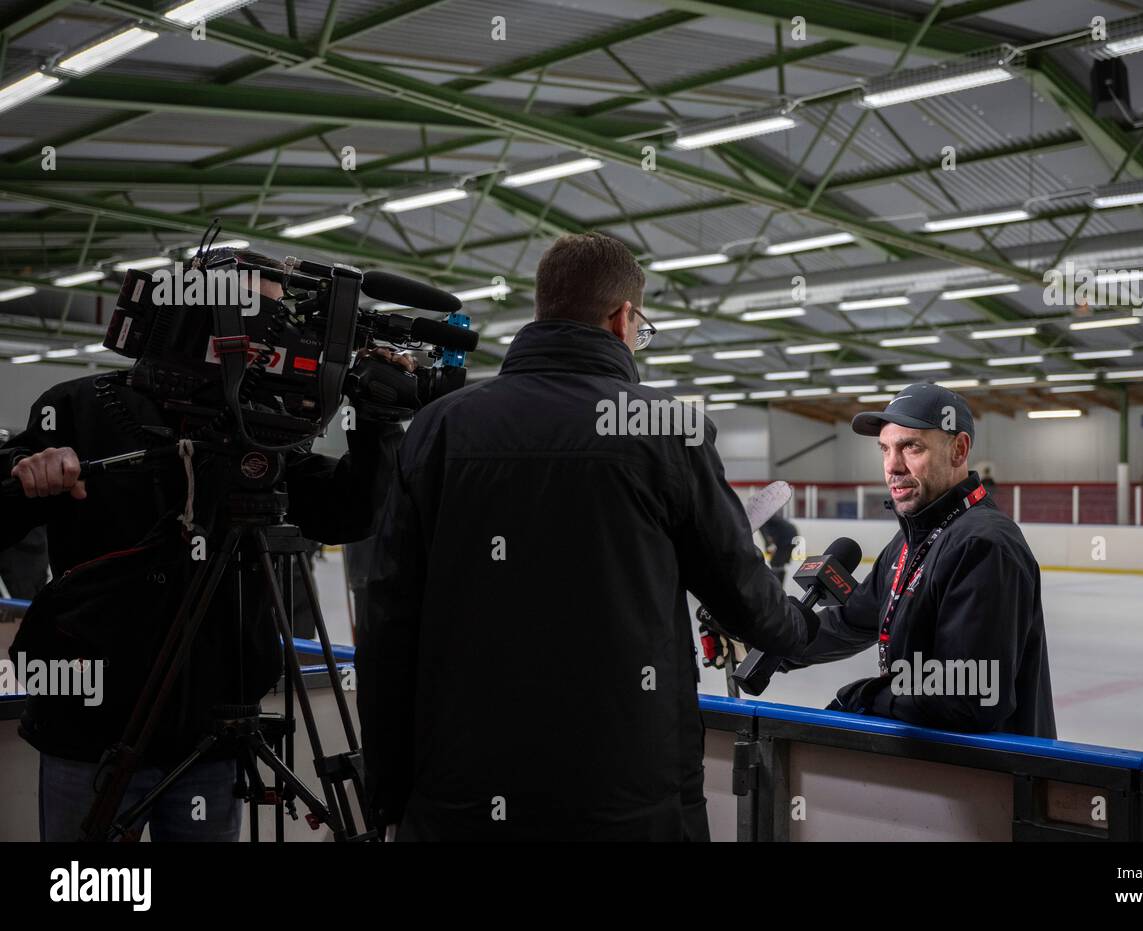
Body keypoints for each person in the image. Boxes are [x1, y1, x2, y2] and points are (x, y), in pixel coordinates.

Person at [357, 231, 817, 842]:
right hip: (626, 792)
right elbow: (744, 596)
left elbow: (387, 620)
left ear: (543, 307)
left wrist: (388, 793)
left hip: (462, 794)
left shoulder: (439, 427)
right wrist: (810, 628)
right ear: (622, 317)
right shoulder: (666, 430)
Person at [0, 249, 406, 841]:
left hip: (212, 729)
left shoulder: (262, 425)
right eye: (252, 315)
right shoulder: (77, 406)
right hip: (90, 727)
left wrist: (377, 426)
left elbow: (347, 512)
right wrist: (26, 477)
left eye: (275, 318)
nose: (266, 335)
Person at [784, 384, 1055, 738]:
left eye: (911, 447)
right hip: (932, 770)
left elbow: (970, 695)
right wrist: (773, 636)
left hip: (993, 777)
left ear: (958, 450)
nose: (892, 466)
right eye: (885, 449)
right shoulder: (912, 540)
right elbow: (851, 621)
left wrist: (865, 696)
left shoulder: (984, 545)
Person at [759, 512, 798, 588]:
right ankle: (778, 587)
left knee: (775, 563)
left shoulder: (761, 521)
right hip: (792, 536)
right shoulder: (768, 516)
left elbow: (767, 537)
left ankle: (776, 587)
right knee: (779, 563)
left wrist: (767, 547)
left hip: (787, 539)